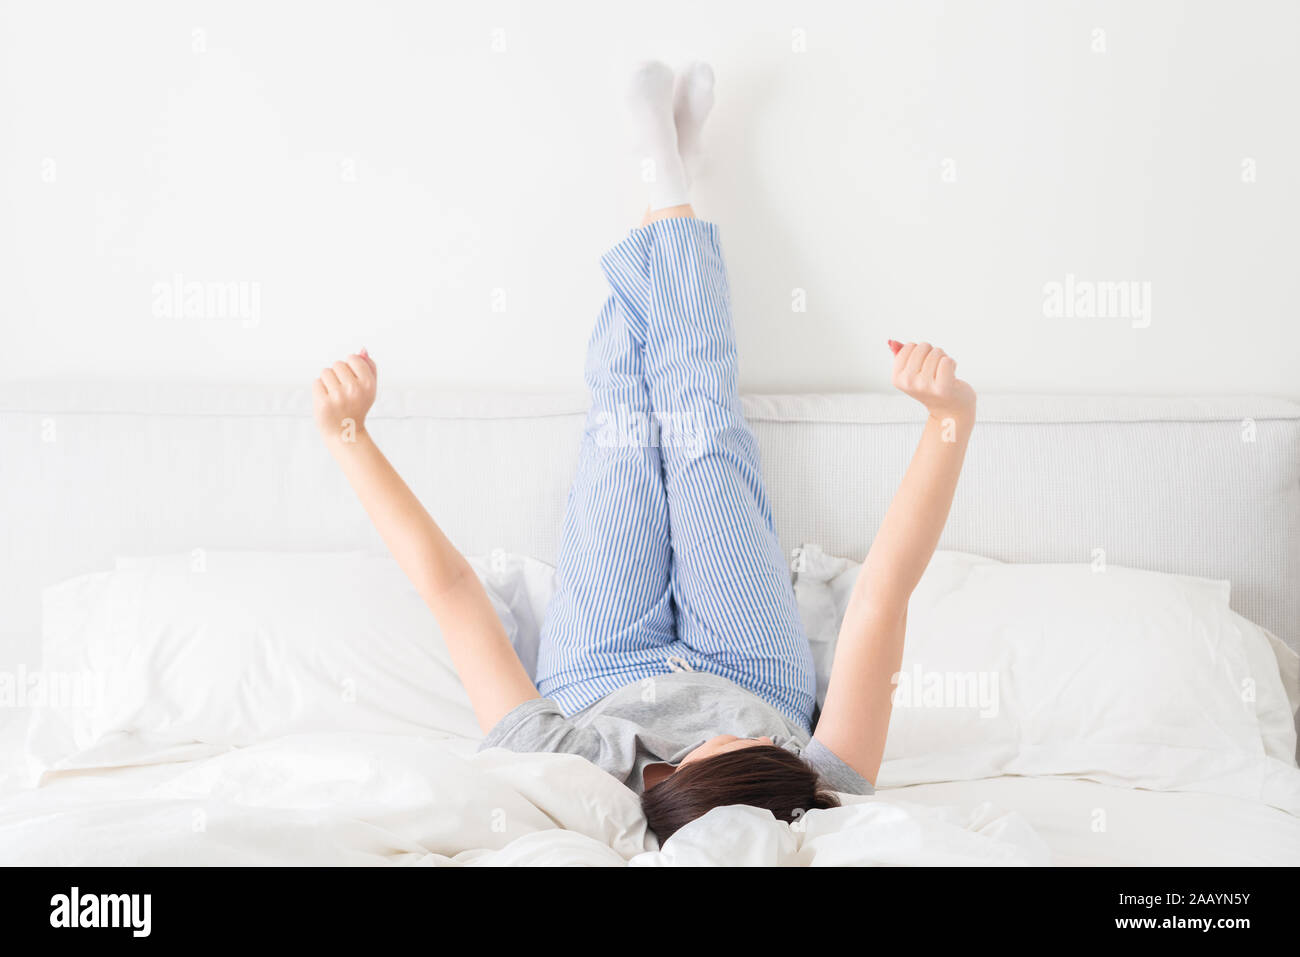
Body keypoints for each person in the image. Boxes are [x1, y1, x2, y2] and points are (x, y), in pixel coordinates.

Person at [311, 61, 976, 843]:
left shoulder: (562, 759)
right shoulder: (814, 777)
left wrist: (346, 436)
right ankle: (665, 177)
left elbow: (452, 590)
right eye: (771, 749)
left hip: (596, 676)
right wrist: (949, 420)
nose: (764, 742)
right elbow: (883, 594)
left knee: (621, 424)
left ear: (668, 781)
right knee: (703, 432)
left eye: (742, 748)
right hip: (753, 664)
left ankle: (664, 181)